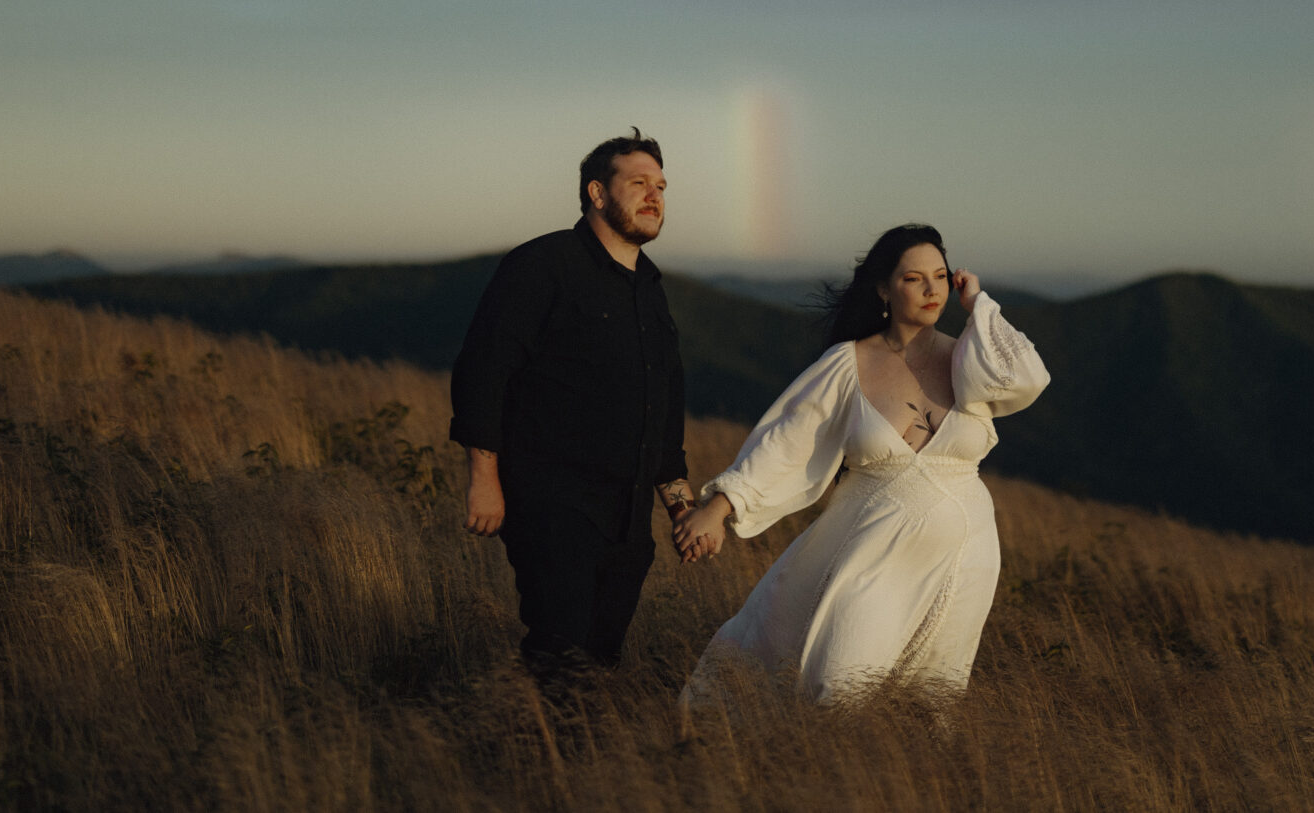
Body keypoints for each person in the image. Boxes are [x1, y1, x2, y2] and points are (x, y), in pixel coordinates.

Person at [674, 223, 1050, 707]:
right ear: (883, 290)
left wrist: (977, 302)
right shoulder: (847, 364)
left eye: (940, 276)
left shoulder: (970, 360)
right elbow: (787, 441)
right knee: (839, 684)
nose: (932, 289)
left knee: (930, 697)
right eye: (914, 278)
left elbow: (1028, 376)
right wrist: (718, 507)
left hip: (966, 555)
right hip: (874, 551)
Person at [449, 130, 696, 684]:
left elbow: (663, 409)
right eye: (639, 183)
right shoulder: (543, 264)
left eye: (661, 187)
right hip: (552, 502)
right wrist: (484, 479)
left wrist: (680, 507)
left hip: (628, 519)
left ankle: (564, 739)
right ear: (597, 193)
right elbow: (484, 369)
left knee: (601, 658)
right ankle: (533, 738)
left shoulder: (650, 290)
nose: (654, 196)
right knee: (560, 651)